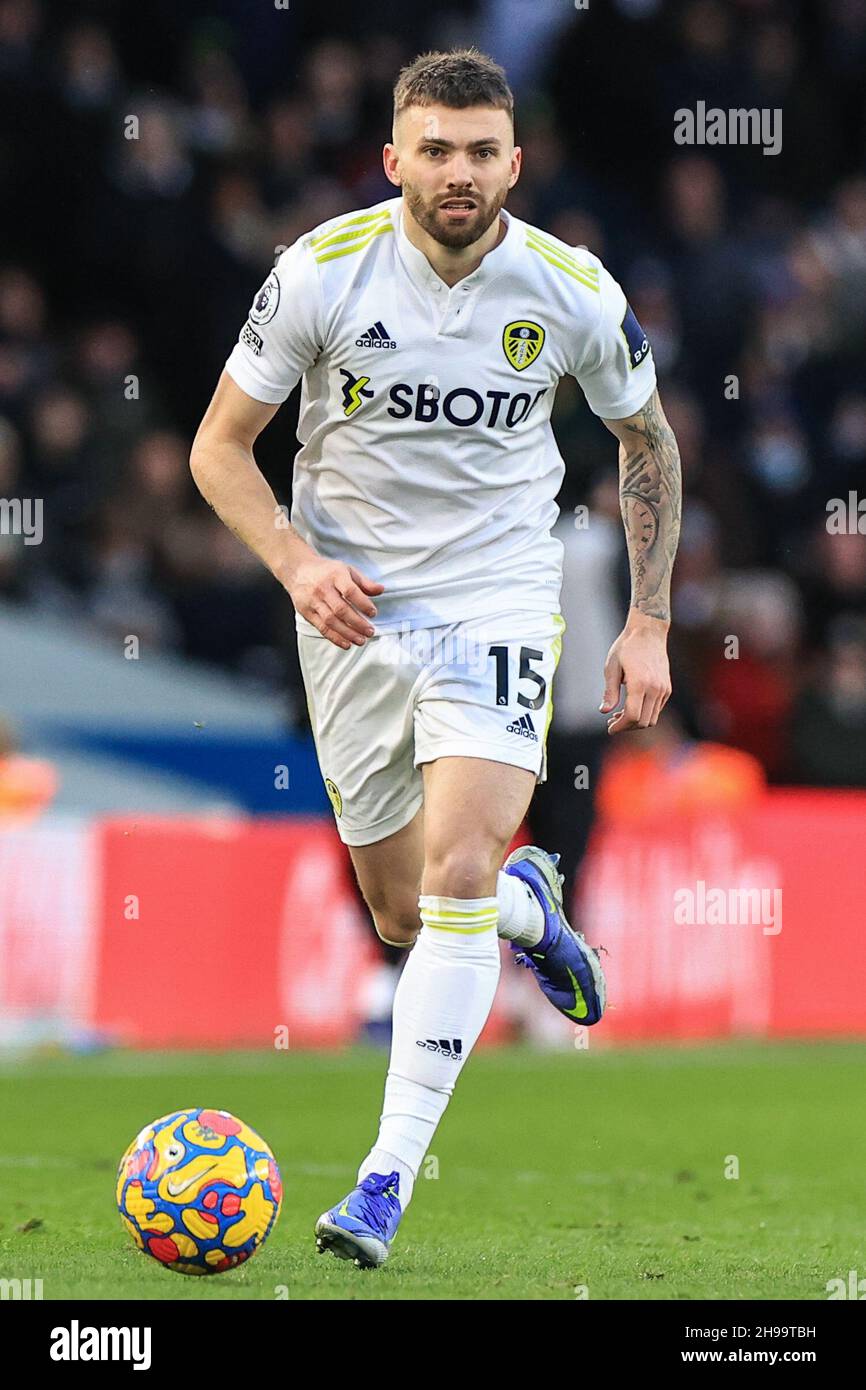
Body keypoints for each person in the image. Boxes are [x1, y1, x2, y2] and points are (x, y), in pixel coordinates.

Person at [190, 48, 681, 1269]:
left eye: (480, 152)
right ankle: (530, 905)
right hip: (350, 606)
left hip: (498, 596)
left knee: (457, 864)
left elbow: (646, 442)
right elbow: (217, 449)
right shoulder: (318, 272)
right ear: (392, 159)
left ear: (513, 163)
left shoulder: (566, 289)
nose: (457, 173)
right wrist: (300, 566)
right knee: (406, 907)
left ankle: (381, 1180)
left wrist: (650, 618)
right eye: (435, 149)